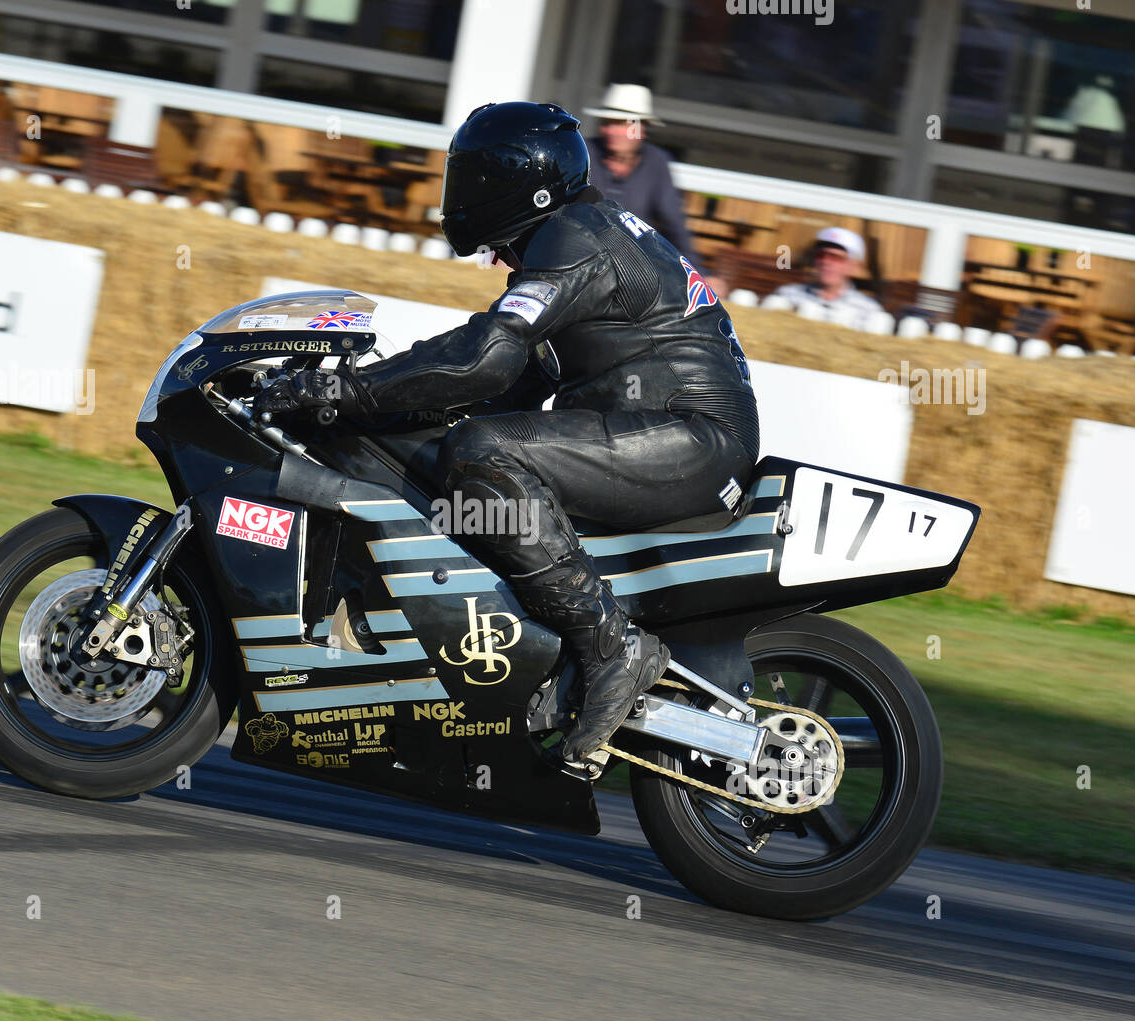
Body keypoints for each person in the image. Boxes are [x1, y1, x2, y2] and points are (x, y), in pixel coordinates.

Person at [255, 101, 760, 778]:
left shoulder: (575, 236)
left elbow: (487, 353)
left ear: (516, 179)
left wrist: (345, 391)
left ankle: (611, 648)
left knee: (484, 451)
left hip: (687, 435)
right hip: (672, 428)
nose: (458, 192)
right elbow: (511, 375)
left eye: (470, 176)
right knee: (468, 441)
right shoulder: (585, 231)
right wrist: (374, 401)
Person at [584, 83, 725, 297]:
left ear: (642, 129)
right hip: (579, 261)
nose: (612, 131)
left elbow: (675, 225)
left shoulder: (657, 163)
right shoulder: (584, 153)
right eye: (607, 123)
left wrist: (699, 274)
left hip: (633, 272)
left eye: (622, 124)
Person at [772, 227, 882, 318]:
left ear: (853, 266)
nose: (825, 262)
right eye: (821, 255)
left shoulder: (868, 310)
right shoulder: (787, 295)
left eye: (835, 257)